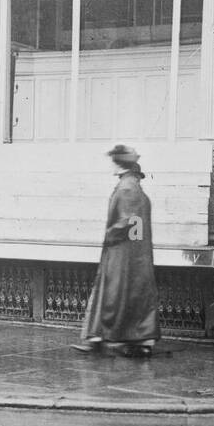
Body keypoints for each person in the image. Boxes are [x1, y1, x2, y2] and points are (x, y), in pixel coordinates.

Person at [75, 145, 161, 357]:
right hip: (134, 252)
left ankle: (101, 337)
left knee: (113, 293)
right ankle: (135, 339)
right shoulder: (134, 187)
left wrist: (111, 236)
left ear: (120, 164)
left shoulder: (126, 188)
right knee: (128, 293)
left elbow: (129, 222)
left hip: (123, 253)